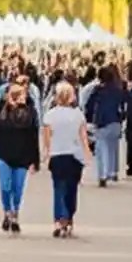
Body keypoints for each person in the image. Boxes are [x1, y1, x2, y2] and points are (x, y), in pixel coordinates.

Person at [0, 84, 40, 234]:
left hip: (23, 155)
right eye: (20, 95)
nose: (24, 98)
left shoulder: (30, 112)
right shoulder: (1, 110)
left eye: (24, 95)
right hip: (4, 154)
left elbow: (33, 137)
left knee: (18, 188)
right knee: (5, 186)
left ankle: (15, 212)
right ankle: (7, 212)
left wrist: (35, 160)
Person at [42, 81, 91, 238]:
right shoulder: (78, 114)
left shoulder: (50, 115)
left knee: (58, 188)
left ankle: (59, 220)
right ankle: (68, 217)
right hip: (74, 156)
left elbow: (47, 137)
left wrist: (47, 153)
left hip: (57, 155)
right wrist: (87, 154)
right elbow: (83, 137)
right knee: (71, 189)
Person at [85, 65, 126, 187]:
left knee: (101, 148)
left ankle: (102, 175)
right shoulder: (119, 90)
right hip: (116, 121)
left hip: (102, 122)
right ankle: (112, 171)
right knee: (113, 146)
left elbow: (89, 105)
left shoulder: (98, 91)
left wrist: (89, 119)